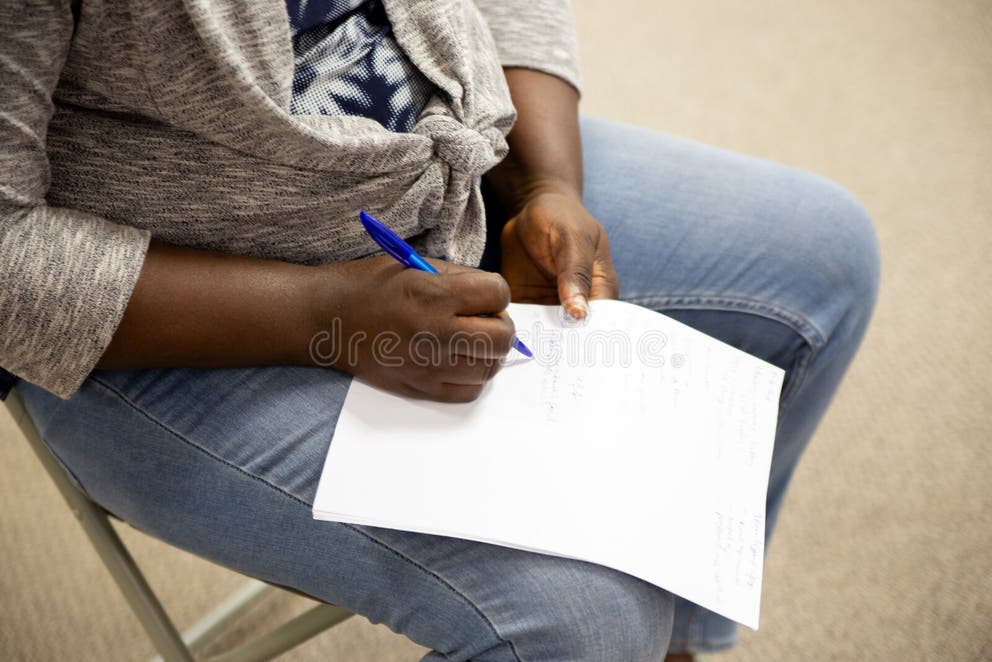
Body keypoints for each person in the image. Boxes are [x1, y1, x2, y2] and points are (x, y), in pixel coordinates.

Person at [0, 1, 880, 660]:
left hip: (451, 176)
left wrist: (544, 187)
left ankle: (678, 641)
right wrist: (329, 317)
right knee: (582, 612)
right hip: (165, 313)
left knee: (821, 257)